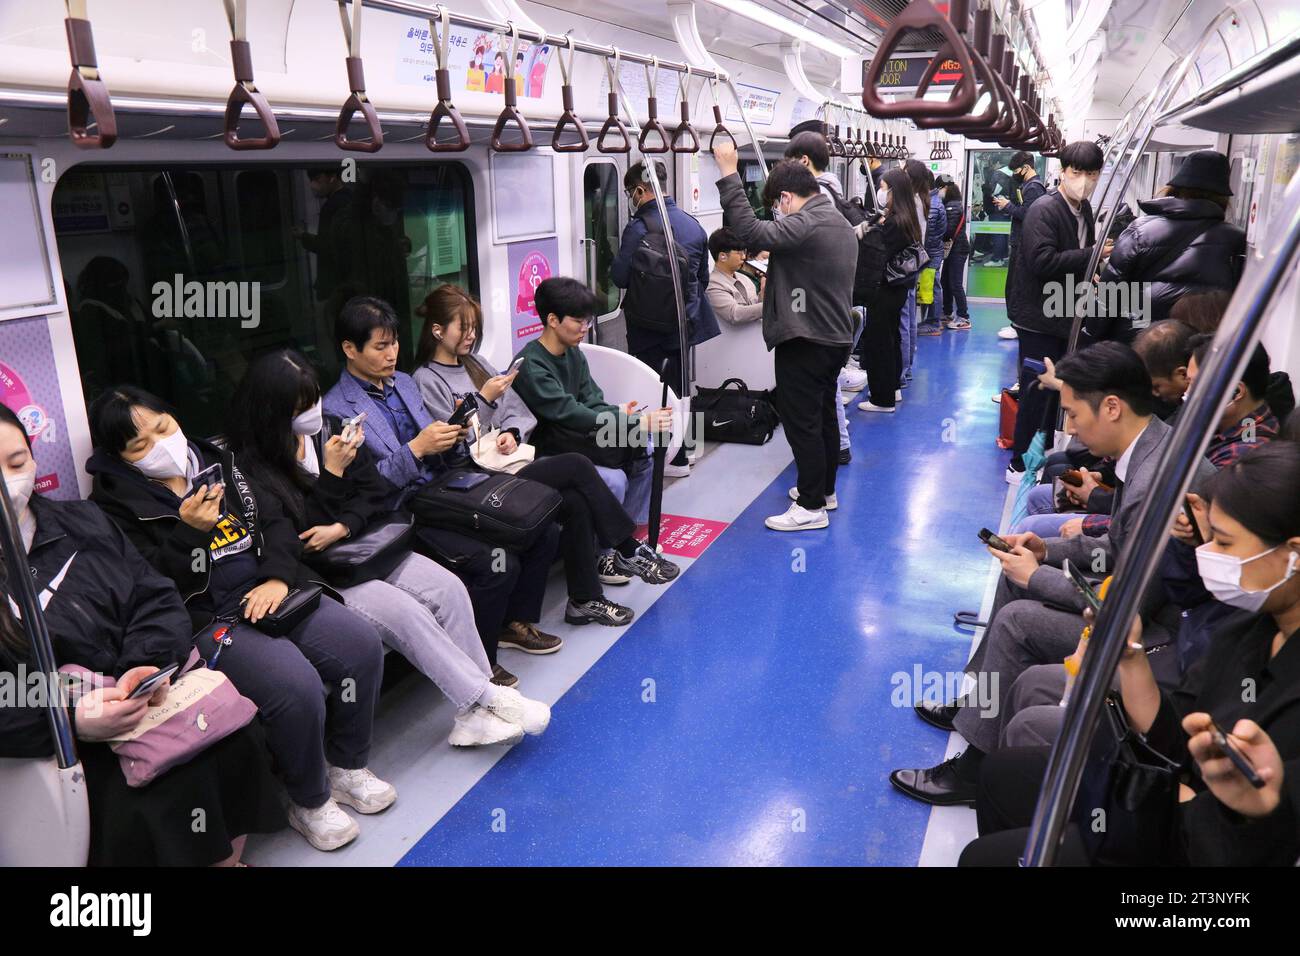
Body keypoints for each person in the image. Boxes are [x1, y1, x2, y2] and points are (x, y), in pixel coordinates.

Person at [891, 342, 1216, 806]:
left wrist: (1037, 577)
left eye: (1073, 414)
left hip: (1158, 633)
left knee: (1017, 618)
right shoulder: (1149, 451)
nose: (1070, 428)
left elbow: (1133, 603)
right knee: (1016, 572)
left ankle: (976, 770)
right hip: (1152, 605)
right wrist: (1047, 550)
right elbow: (1118, 547)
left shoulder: (1150, 481)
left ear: (1111, 407)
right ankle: (982, 703)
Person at [84, 386, 394, 852]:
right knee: (295, 684)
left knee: (360, 644)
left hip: (270, 590)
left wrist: (275, 578)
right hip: (208, 618)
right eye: (140, 446)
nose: (161, 445)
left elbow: (274, 525)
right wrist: (189, 534)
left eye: (163, 428)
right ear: (122, 459)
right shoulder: (116, 508)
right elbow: (151, 587)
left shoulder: (221, 463)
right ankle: (309, 800)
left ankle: (347, 766)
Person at [962, 441, 1300, 866]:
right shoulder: (1248, 628)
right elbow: (1172, 731)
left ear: (1293, 552)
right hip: (1167, 795)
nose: (1210, 555)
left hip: (1197, 841)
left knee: (983, 858)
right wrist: (1129, 656)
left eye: (1226, 544)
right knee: (1003, 775)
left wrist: (1249, 805)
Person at [0, 403, 284, 866]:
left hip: (139, 691)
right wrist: (70, 720)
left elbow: (153, 595)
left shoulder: (83, 522)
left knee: (234, 737)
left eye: (17, 464)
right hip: (57, 740)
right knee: (158, 790)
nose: (10, 482)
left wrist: (143, 667)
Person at [226, 348, 553, 748]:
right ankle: (488, 698)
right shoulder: (252, 469)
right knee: (407, 612)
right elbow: (296, 535)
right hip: (328, 573)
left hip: (364, 544)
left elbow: (373, 492)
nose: (314, 410)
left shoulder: (328, 429)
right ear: (272, 411)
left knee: (448, 590)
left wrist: (345, 524)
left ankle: (474, 714)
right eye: (302, 406)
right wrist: (331, 476)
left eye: (313, 399)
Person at [321, 296, 563, 683]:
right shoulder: (337, 410)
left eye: (395, 343)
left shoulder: (403, 382)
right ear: (350, 349)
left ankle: (511, 623)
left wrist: (456, 437)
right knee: (497, 563)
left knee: (543, 529)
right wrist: (417, 449)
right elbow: (366, 490)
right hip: (403, 511)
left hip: (444, 488)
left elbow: (445, 455)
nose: (392, 354)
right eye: (380, 347)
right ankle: (480, 663)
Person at [413, 283, 679, 611]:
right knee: (577, 465)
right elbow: (452, 441)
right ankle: (627, 547)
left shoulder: (478, 363)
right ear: (438, 331)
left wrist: (511, 431)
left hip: (509, 458)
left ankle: (583, 601)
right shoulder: (426, 380)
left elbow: (517, 412)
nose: (471, 336)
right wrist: (484, 400)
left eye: (474, 328)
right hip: (477, 475)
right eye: (464, 328)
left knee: (579, 499)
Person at [713, 143, 858, 531]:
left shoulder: (807, 221)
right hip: (832, 337)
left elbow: (749, 231)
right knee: (824, 415)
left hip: (806, 339)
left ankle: (811, 506)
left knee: (802, 422)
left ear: (786, 197)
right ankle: (824, 490)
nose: (780, 213)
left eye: (779, 206)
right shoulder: (837, 221)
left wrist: (729, 172)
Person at [1005, 141, 1112, 483]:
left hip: (1064, 312)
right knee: (1037, 390)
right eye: (1076, 172)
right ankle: (1020, 463)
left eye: (1091, 173)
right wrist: (1093, 256)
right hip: (1038, 315)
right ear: (1063, 172)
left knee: (1056, 389)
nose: (1083, 180)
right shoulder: (1044, 209)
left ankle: (1043, 449)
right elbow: (1042, 262)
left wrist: (1092, 272)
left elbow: (1079, 253)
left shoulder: (1084, 210)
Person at [611, 160, 719, 478]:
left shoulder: (639, 227)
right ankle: (686, 452)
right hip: (683, 325)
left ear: (641, 190)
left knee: (649, 387)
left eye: (631, 191)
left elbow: (619, 277)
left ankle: (662, 458)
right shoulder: (692, 224)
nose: (631, 197)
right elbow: (703, 279)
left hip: (647, 327)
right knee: (681, 385)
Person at [1093, 151, 1246, 343]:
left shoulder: (1141, 230)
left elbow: (1109, 295)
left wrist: (1090, 338)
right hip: (1195, 348)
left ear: (1174, 188)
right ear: (1224, 198)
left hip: (1137, 340)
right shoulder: (1236, 241)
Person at [783, 130, 867, 460]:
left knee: (822, 386)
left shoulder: (820, 197)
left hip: (819, 300)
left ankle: (834, 451)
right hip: (833, 294)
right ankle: (835, 447)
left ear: (804, 161)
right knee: (826, 382)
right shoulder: (834, 187)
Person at [855, 167, 923, 414]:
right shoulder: (905, 216)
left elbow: (877, 252)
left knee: (878, 343)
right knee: (892, 338)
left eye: (883, 188)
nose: (881, 193)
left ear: (894, 190)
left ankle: (881, 400)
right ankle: (892, 387)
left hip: (884, 288)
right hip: (897, 289)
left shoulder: (893, 222)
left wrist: (866, 232)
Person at [993, 151, 1047, 341]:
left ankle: (1018, 325)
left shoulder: (1034, 188)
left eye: (1016, 170)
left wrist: (1008, 206)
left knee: (1017, 286)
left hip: (1025, 244)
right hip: (1019, 241)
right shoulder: (1026, 185)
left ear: (1026, 168)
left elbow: (1029, 215)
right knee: (1013, 285)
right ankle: (1016, 323)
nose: (1015, 174)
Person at [914, 167, 949, 337]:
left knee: (933, 287)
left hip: (929, 253)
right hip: (933, 251)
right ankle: (931, 320)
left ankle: (934, 322)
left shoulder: (931, 203)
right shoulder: (934, 201)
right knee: (931, 286)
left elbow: (928, 232)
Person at [706, 227, 764, 326]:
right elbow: (734, 314)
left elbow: (755, 308)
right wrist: (770, 306)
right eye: (739, 253)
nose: (743, 257)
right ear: (722, 256)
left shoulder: (745, 279)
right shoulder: (713, 284)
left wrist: (764, 291)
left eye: (744, 252)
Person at [939, 179, 972, 331]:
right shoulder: (953, 204)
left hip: (957, 249)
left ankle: (964, 317)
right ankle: (947, 312)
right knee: (945, 280)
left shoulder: (952, 206)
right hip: (954, 249)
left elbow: (949, 231)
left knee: (955, 283)